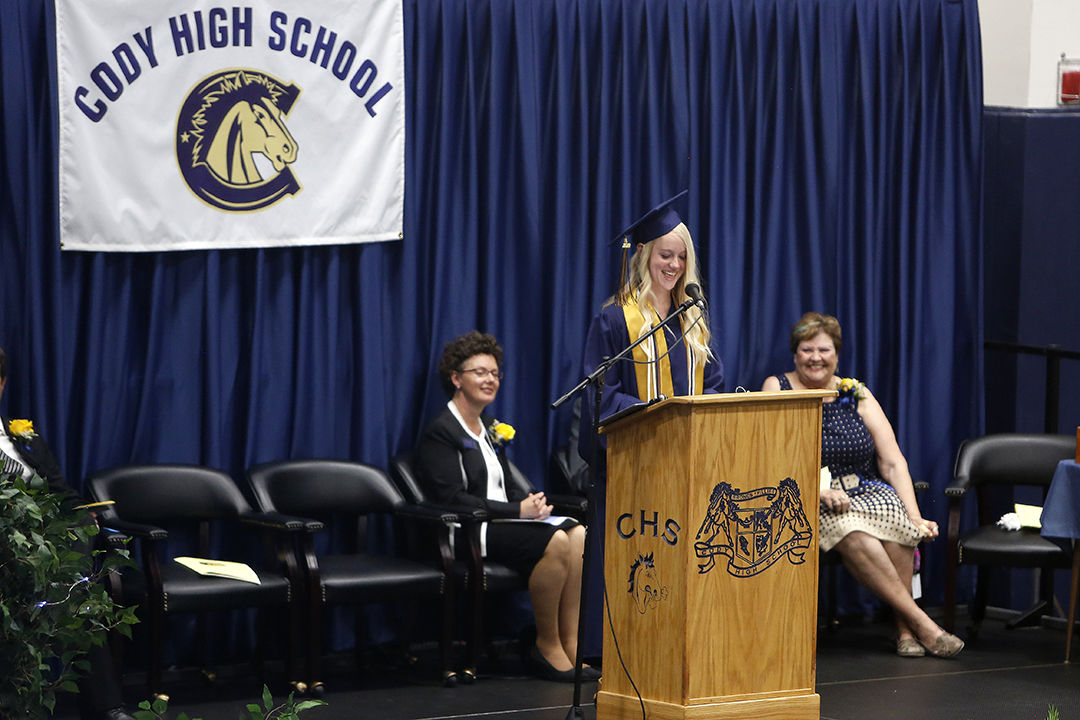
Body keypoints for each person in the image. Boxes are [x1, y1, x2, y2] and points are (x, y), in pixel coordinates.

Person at [761, 312, 963, 658]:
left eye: (823, 349)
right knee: (853, 533)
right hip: (808, 495)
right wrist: (816, 490)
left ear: (836, 353)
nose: (815, 357)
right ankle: (923, 625)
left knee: (901, 531)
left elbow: (892, 461)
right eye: (807, 349)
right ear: (795, 354)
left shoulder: (855, 392)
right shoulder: (775, 387)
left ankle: (904, 633)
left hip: (865, 490)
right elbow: (766, 457)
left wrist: (914, 517)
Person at [415, 331, 594, 683]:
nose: (490, 380)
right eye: (480, 372)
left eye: (495, 373)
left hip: (497, 525)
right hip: (468, 531)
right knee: (556, 542)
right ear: (456, 378)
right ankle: (547, 644)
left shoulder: (488, 429)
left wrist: (534, 505)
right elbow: (452, 498)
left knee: (577, 533)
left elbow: (503, 485)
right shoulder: (441, 431)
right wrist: (517, 511)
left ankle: (572, 643)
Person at [0, 345, 135, 719]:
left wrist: (81, 513)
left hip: (45, 546)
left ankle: (106, 707)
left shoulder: (23, 434)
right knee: (74, 596)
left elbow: (60, 491)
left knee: (77, 583)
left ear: (2, 384)